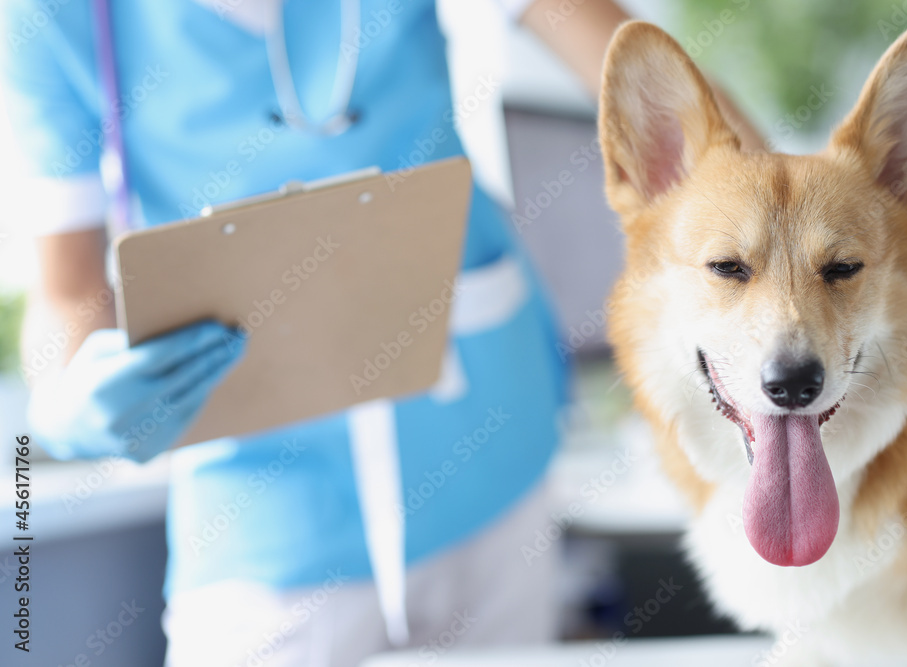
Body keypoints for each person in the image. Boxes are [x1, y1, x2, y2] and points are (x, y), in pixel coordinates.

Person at [2, 1, 763, 665]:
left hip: (487, 443)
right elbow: (67, 293)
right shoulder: (53, 16)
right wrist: (69, 392)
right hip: (269, 499)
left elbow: (670, 99)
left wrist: (797, 247)